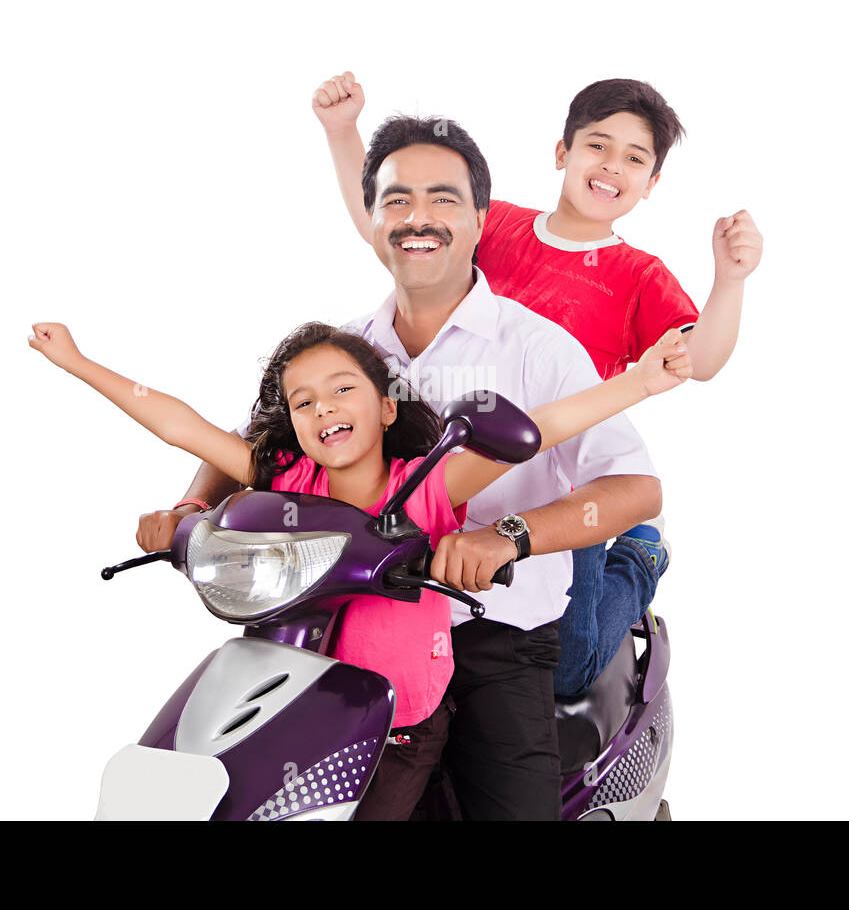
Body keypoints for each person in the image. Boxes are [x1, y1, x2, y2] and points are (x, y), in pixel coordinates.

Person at [134, 115, 665, 819]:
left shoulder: (540, 350)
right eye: (396, 199)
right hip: (343, 622)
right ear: (373, 218)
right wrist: (192, 511)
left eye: (444, 199)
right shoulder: (344, 346)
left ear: (480, 219)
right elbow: (250, 446)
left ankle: (635, 567)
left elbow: (635, 486)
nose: (419, 218)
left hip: (492, 630)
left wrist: (508, 536)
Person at [28, 314, 690, 820]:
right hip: (309, 697)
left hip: (400, 721)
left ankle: (636, 556)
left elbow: (542, 429)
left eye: (342, 389)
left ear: (385, 407)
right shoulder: (284, 479)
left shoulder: (429, 485)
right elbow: (182, 425)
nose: (324, 409)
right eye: (304, 401)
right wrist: (79, 363)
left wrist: (642, 382)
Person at [311, 71, 764, 696]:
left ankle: (636, 559)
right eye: (597, 146)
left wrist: (731, 280)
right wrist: (342, 132)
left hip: (557, 487)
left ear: (651, 183)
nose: (611, 167)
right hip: (444, 476)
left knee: (568, 669)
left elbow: (699, 360)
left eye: (634, 159)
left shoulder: (638, 275)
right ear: (562, 153)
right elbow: (393, 227)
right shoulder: (497, 225)